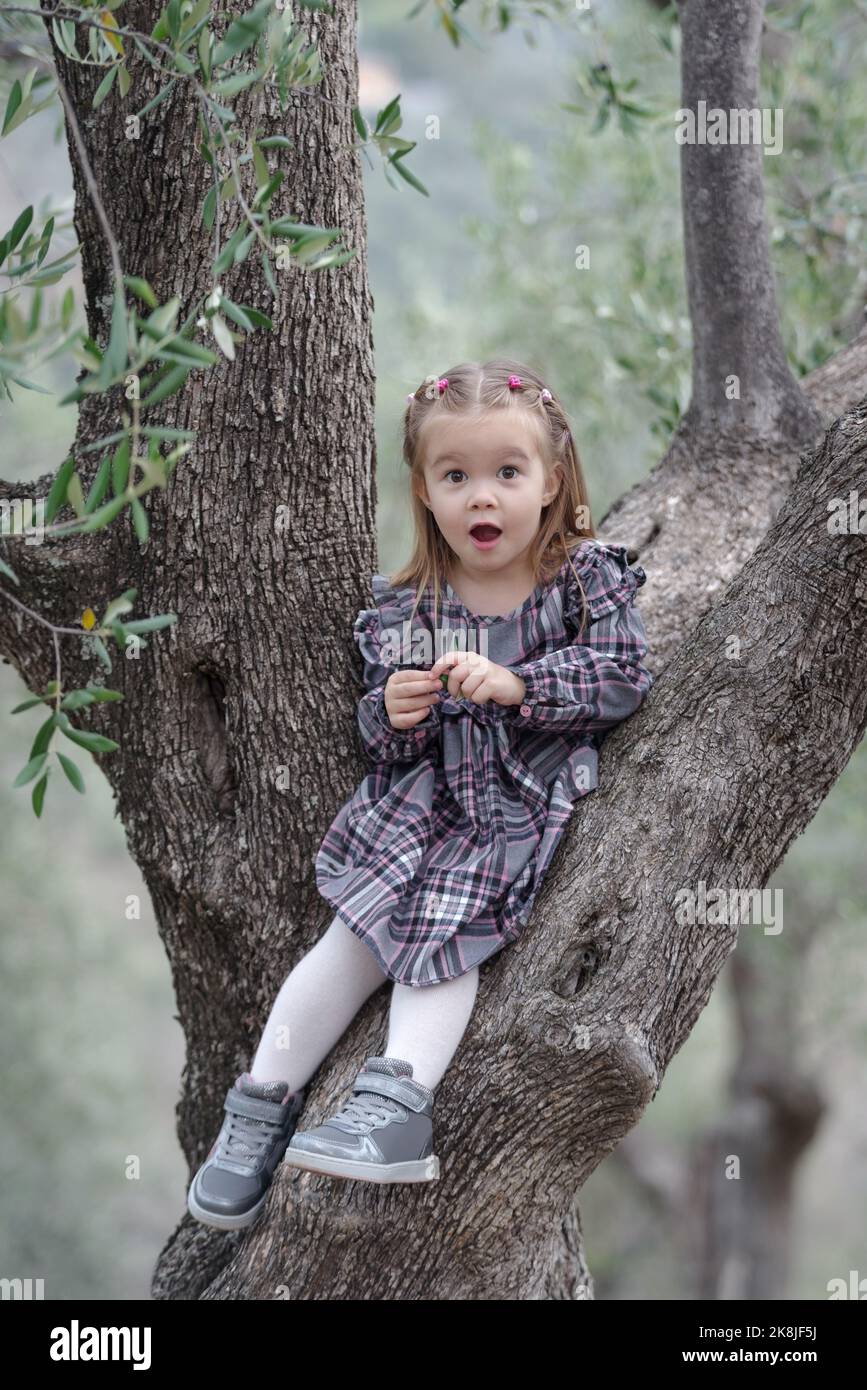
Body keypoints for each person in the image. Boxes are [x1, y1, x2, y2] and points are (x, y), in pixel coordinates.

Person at [187, 358, 653, 1229]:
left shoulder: (583, 579)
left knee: (445, 938)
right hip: (417, 803)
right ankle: (259, 1106)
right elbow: (376, 734)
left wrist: (520, 685)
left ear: (552, 481)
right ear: (424, 491)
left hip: (511, 802)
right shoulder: (403, 609)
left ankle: (397, 1106)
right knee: (350, 937)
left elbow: (625, 678)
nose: (483, 498)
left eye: (506, 474)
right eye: (456, 476)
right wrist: (394, 710)